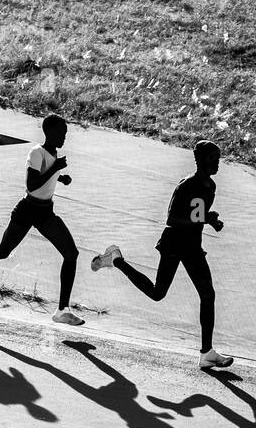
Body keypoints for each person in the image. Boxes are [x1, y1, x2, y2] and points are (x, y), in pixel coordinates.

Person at [92, 139, 233, 369]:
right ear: (200, 160)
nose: (217, 163)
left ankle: (206, 353)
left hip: (193, 247)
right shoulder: (186, 185)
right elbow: (172, 218)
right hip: (175, 243)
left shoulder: (211, 187)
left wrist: (211, 219)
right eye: (212, 158)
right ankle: (117, 260)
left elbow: (199, 212)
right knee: (158, 293)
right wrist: (203, 218)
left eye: (219, 158)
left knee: (208, 295)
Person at [0, 114, 84, 326]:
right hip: (28, 209)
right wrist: (56, 169)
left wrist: (60, 177)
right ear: (49, 132)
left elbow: (46, 178)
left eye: (66, 133)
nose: (65, 136)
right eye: (61, 132)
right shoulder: (36, 152)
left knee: (71, 253)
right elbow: (32, 184)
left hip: (45, 212)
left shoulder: (53, 154)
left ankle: (62, 310)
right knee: (2, 251)